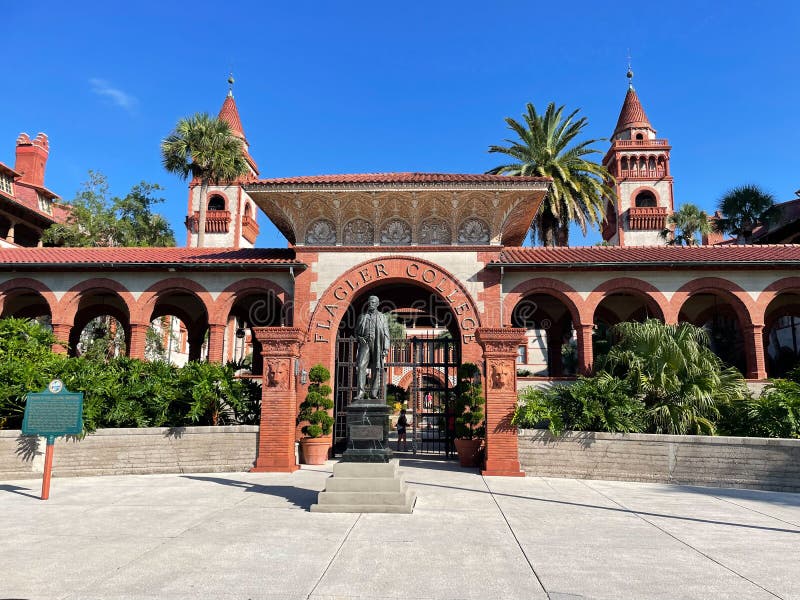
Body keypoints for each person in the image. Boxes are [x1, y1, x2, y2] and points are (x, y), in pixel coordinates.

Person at [355, 295, 390, 400]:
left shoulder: (382, 317)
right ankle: (360, 392)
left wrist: (386, 348)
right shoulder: (362, 316)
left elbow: (386, 333)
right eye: (370, 302)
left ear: (377, 304)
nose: (371, 304)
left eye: (373, 302)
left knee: (376, 368)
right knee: (361, 366)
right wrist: (359, 338)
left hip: (377, 344)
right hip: (365, 344)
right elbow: (356, 331)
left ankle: (373, 393)